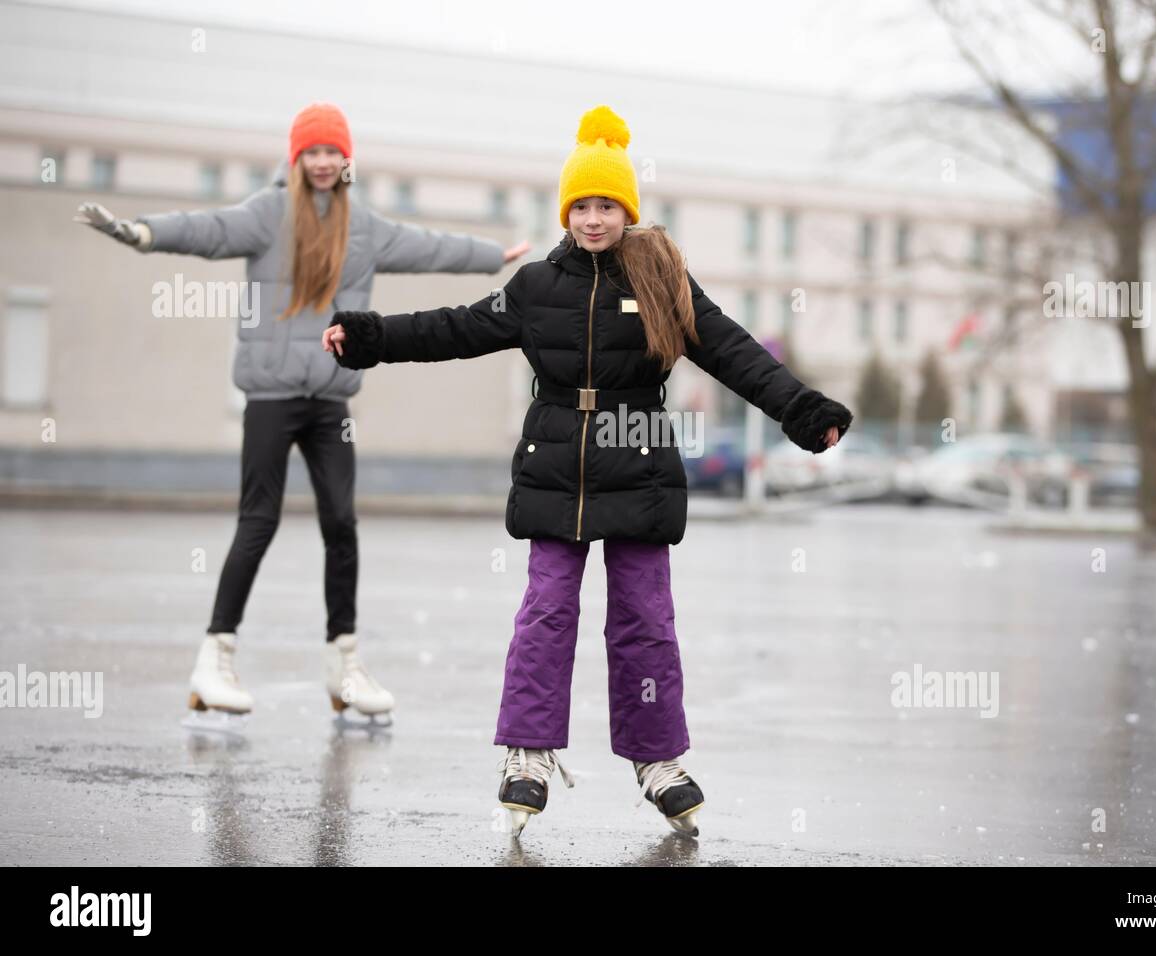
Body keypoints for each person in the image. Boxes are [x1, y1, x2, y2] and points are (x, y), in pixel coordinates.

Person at [322, 105, 851, 832]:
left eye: (607, 205)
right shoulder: (538, 286)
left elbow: (731, 350)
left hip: (637, 458)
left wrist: (801, 409)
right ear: (565, 208)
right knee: (546, 613)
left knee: (645, 621)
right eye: (582, 205)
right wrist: (369, 336)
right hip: (557, 466)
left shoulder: (663, 277)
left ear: (626, 209)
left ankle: (657, 759)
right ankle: (528, 753)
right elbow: (456, 328)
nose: (594, 219)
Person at [75, 101, 530, 727]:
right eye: (310, 152)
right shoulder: (268, 214)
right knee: (257, 520)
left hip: (331, 402)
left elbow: (428, 246)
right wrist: (142, 232)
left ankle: (344, 666)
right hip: (270, 398)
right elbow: (207, 230)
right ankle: (215, 659)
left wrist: (493, 254)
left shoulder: (364, 227)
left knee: (341, 523)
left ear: (346, 160)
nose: (321, 162)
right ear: (296, 159)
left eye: (332, 152)